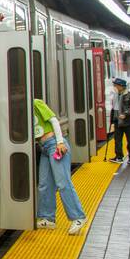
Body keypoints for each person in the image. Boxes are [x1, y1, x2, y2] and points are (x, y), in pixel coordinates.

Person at [33, 97, 87, 235]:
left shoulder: (36, 103)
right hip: (44, 148)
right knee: (44, 184)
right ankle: (47, 218)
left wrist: (59, 142)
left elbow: (54, 120)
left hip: (54, 144)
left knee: (63, 183)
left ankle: (78, 217)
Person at [109, 77, 130, 164]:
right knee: (117, 140)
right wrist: (112, 119)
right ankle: (119, 157)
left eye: (116, 85)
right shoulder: (115, 94)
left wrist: (125, 114)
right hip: (118, 121)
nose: (114, 87)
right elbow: (114, 107)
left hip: (129, 122)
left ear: (121, 86)